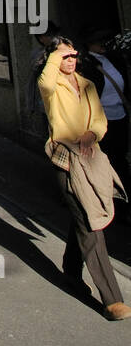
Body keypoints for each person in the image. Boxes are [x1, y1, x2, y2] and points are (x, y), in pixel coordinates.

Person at [38, 36, 130, 318]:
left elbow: (100, 119)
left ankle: (70, 271)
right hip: (66, 159)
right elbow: (45, 83)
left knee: (81, 217)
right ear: (53, 59)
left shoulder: (87, 84)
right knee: (90, 224)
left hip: (91, 158)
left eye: (73, 55)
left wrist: (93, 133)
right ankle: (112, 299)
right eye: (64, 56)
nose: (70, 60)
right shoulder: (52, 86)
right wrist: (55, 54)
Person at [83, 36, 131, 199]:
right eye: (99, 40)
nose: (103, 43)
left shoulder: (115, 59)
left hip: (120, 115)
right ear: (89, 43)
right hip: (101, 120)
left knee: (120, 157)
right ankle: (111, 197)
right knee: (108, 159)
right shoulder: (86, 64)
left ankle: (123, 194)